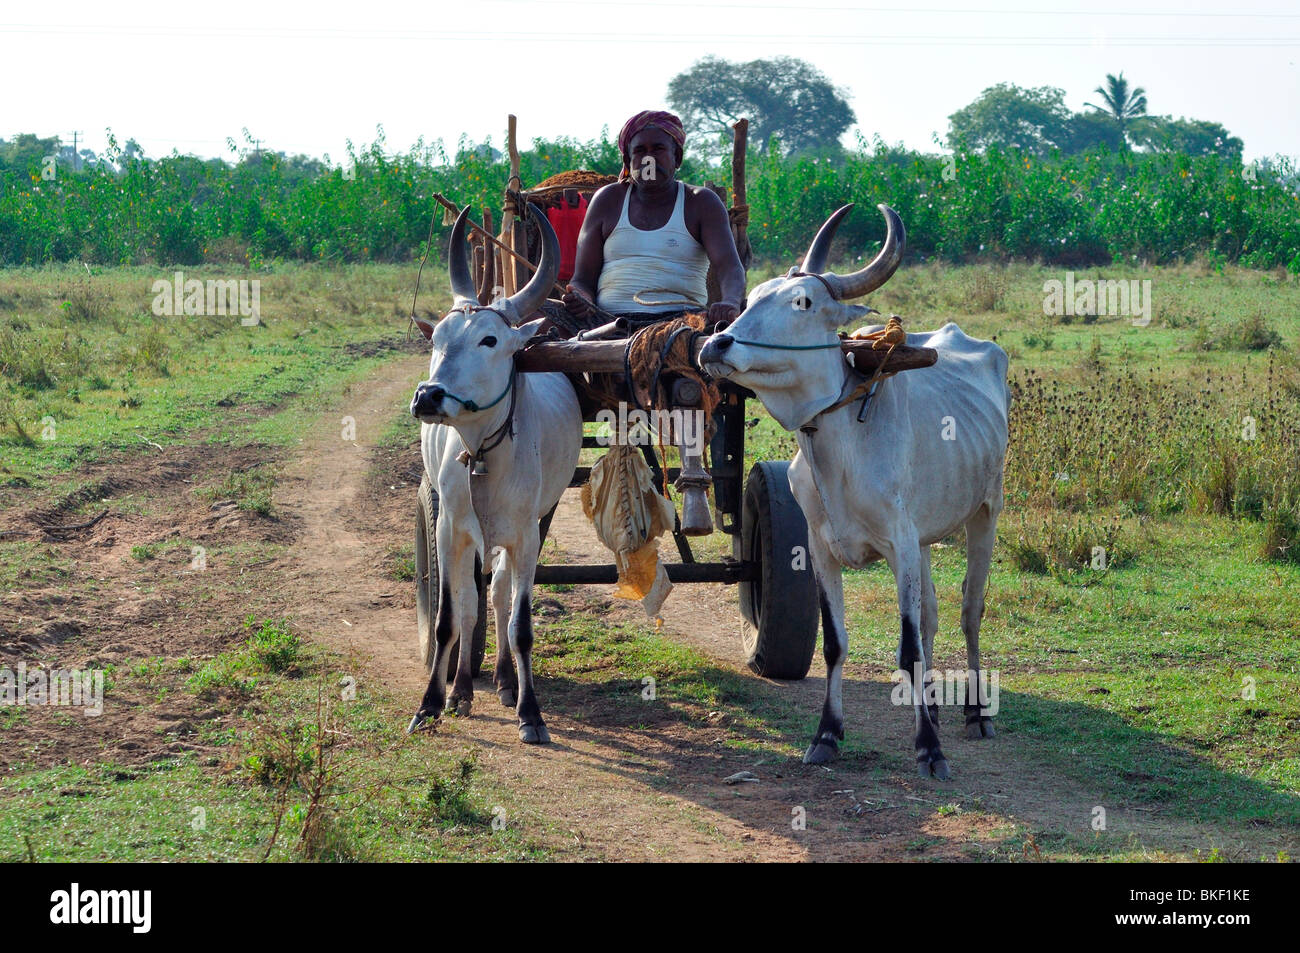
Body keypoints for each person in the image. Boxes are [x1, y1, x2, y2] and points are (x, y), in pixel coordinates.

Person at [562, 110, 745, 330]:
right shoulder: (607, 200)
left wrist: (730, 303)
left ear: (677, 157)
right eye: (640, 151)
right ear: (628, 161)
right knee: (537, 323)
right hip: (606, 323)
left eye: (658, 149)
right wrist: (581, 298)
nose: (648, 159)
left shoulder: (701, 203)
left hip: (681, 324)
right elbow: (582, 279)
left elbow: (729, 267)